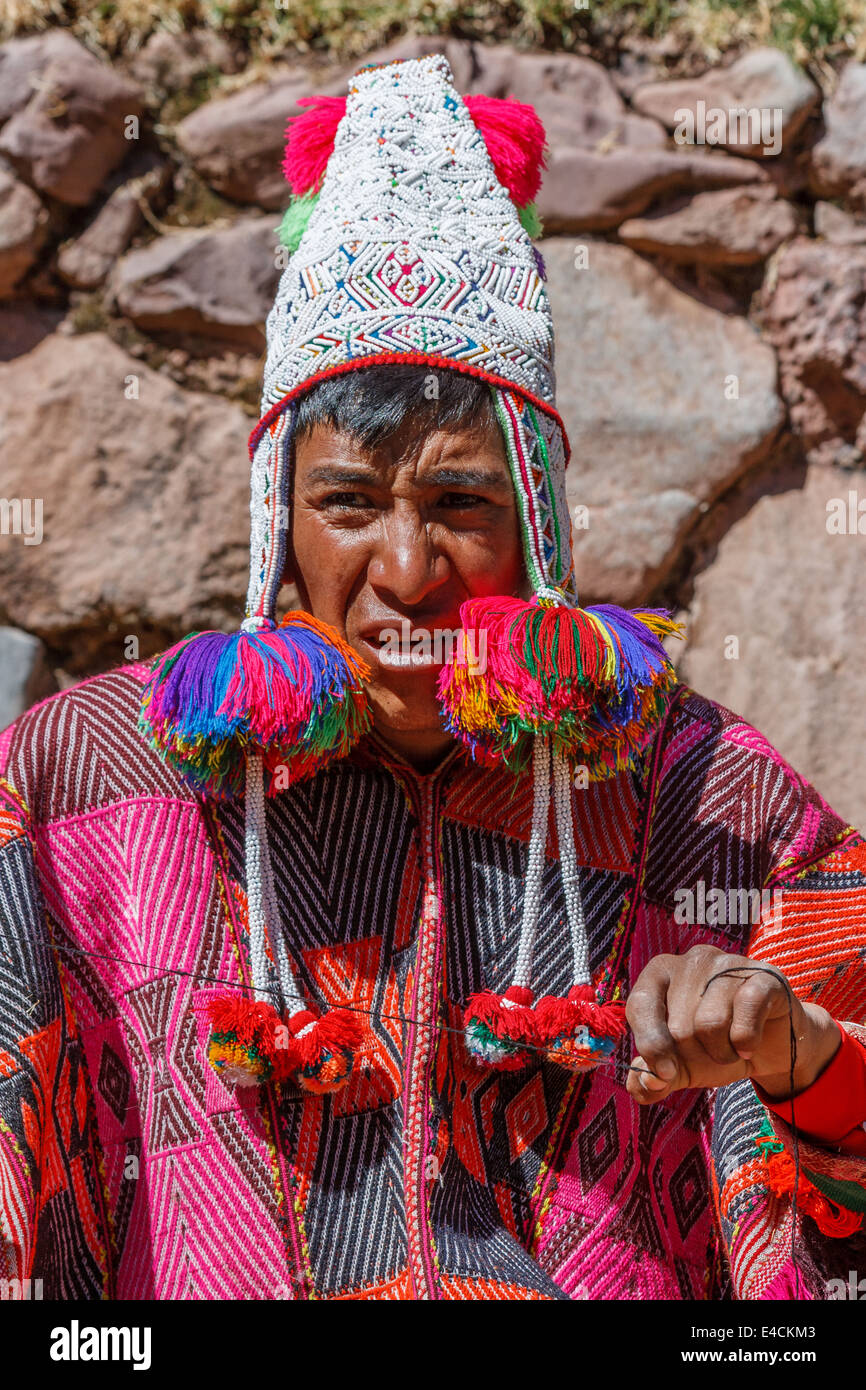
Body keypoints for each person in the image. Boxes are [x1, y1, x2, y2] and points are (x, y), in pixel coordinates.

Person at [1, 52, 865, 1303]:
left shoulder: (710, 802)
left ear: (538, 528)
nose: (405, 570)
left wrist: (797, 1055)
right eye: (346, 502)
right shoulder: (85, 781)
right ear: (275, 524)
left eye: (459, 502)